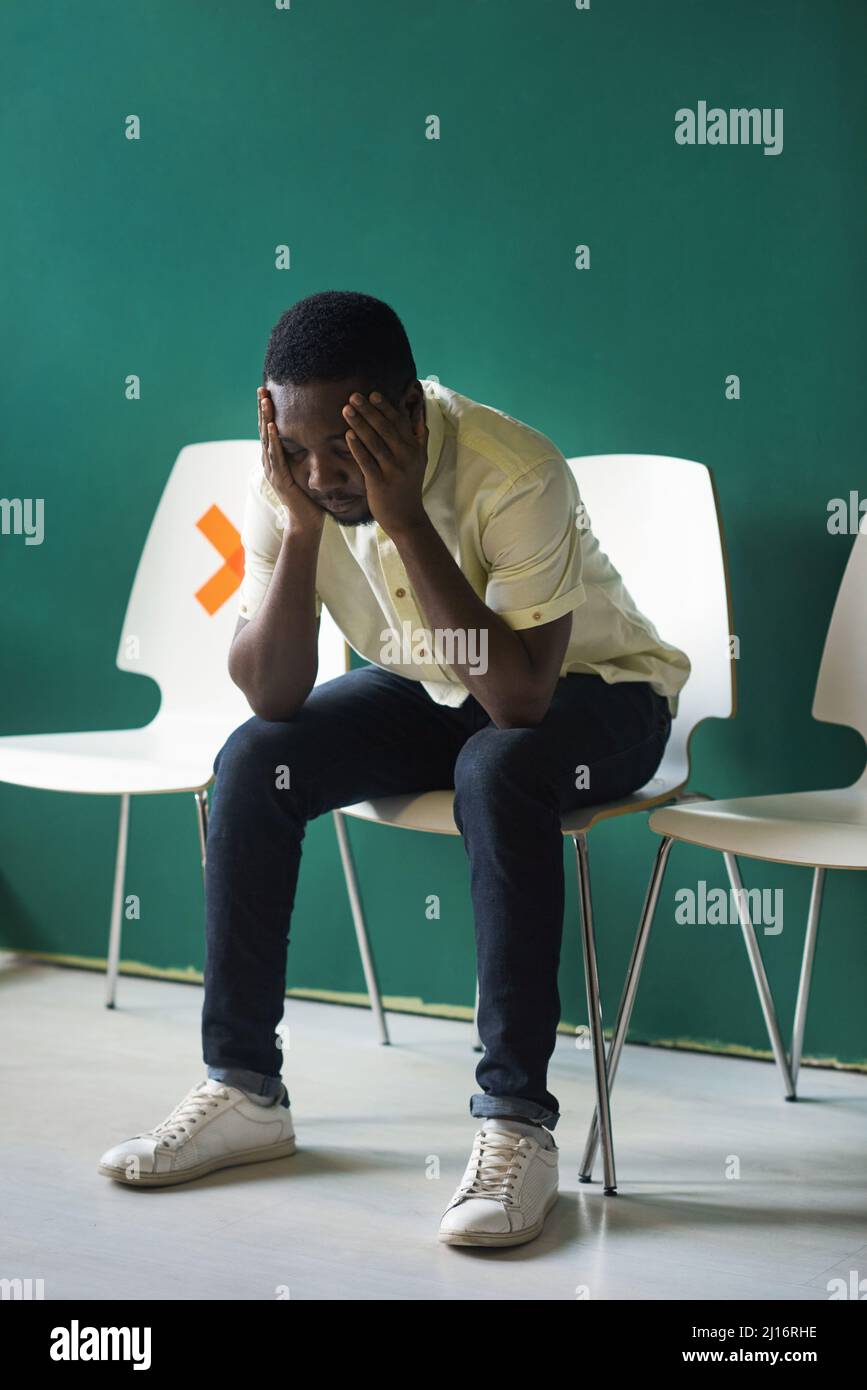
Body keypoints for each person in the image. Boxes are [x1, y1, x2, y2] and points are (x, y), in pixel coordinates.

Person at [98, 290, 690, 1248]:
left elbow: (519, 701)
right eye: (295, 449)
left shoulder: (515, 471)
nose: (323, 473)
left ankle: (515, 1126)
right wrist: (299, 528)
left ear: (407, 413)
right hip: (429, 685)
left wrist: (402, 517)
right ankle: (243, 1090)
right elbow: (274, 694)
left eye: (344, 447)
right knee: (254, 761)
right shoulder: (287, 482)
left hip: (593, 695)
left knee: (498, 769)